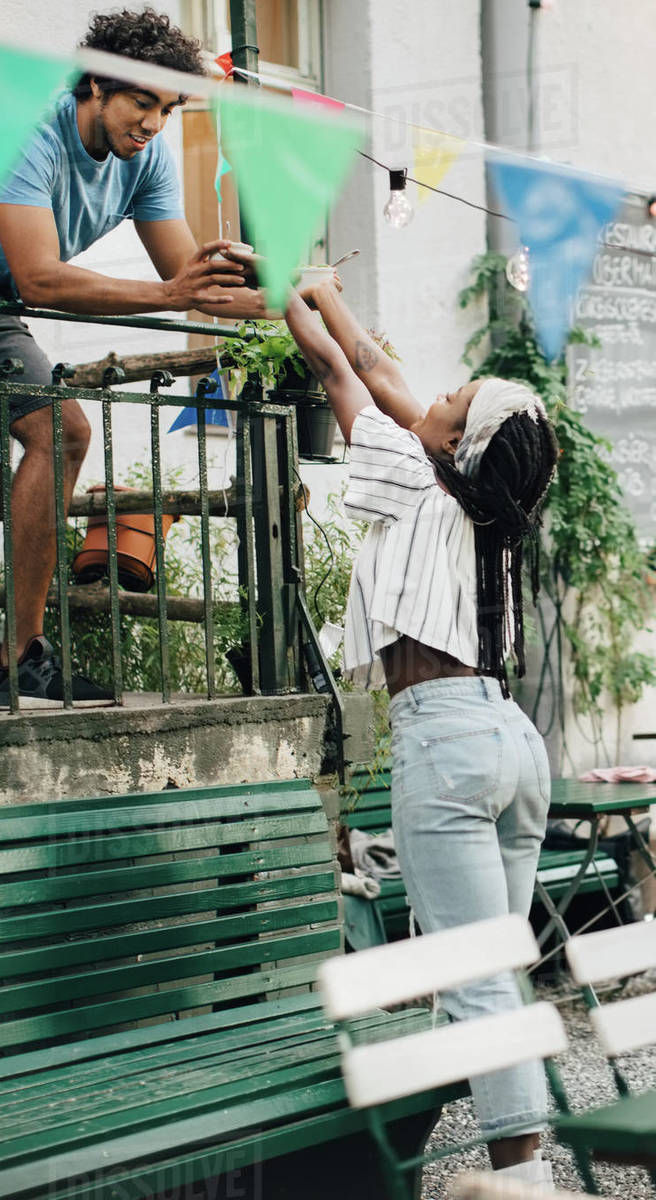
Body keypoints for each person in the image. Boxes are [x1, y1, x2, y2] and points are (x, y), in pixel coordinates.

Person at [0, 7, 262, 709]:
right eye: (143, 101)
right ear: (97, 85)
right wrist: (173, 290)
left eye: (168, 108)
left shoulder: (148, 161)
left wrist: (289, 298)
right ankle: (20, 661)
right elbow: (42, 277)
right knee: (62, 431)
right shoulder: (29, 133)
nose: (154, 123)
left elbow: (192, 286)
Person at [284, 280, 560, 1190]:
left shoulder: (412, 475)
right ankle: (408, 1159)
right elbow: (382, 368)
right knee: (490, 969)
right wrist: (329, 290)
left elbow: (342, 369)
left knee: (477, 975)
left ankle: (522, 1178)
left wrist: (292, 297)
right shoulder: (492, 510)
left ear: (450, 445)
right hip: (513, 744)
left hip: (444, 743)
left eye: (449, 403)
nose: (431, 395)